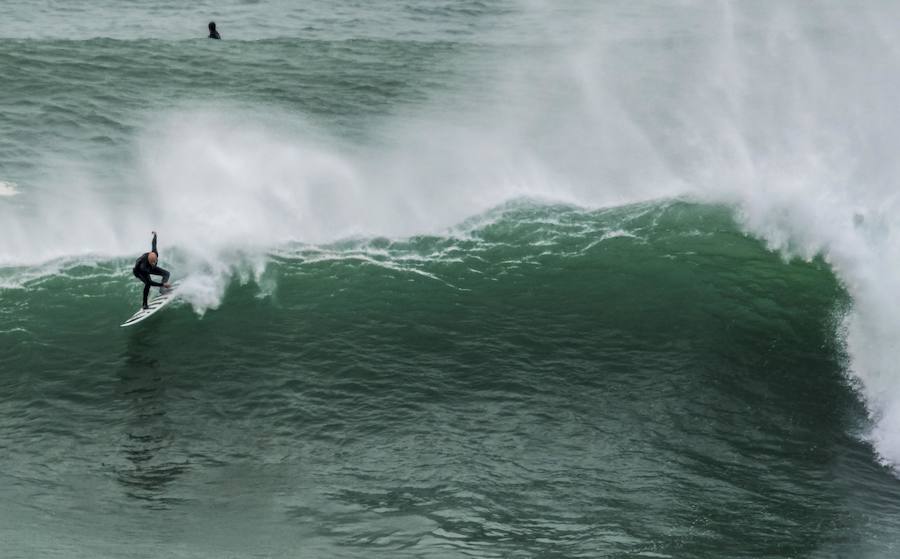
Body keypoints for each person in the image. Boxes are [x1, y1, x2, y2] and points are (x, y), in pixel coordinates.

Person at [133, 231, 172, 310]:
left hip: (149, 268)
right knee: (148, 284)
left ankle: (162, 291)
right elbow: (150, 282)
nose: (155, 264)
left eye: (155, 262)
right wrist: (163, 284)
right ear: (149, 261)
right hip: (138, 272)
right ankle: (144, 304)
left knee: (166, 274)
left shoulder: (155, 253)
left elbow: (154, 244)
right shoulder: (143, 267)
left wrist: (155, 235)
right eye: (153, 263)